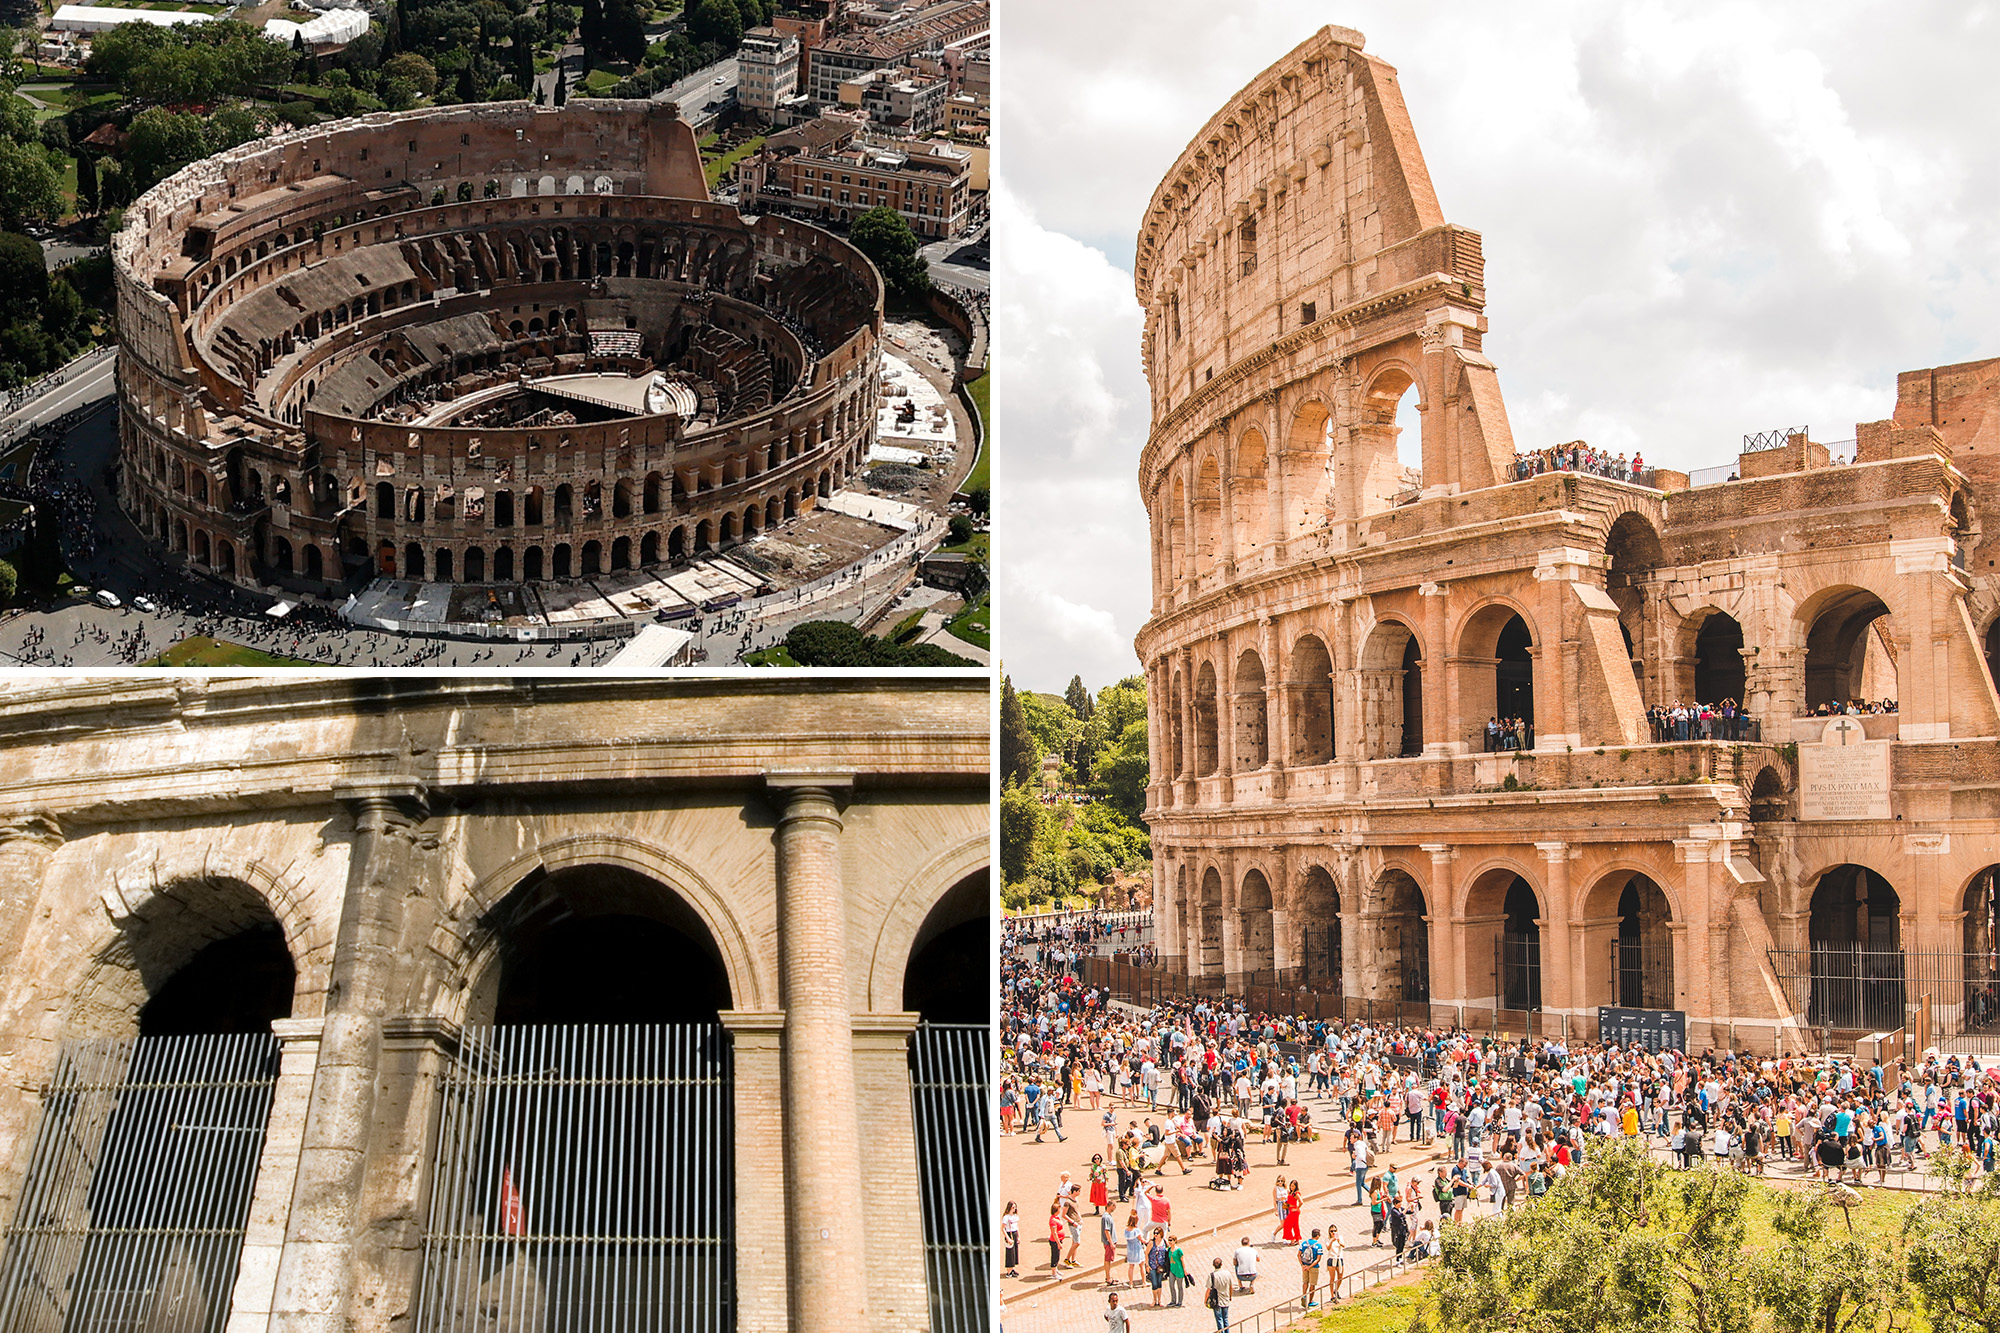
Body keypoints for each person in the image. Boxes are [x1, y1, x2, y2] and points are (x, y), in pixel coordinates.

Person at [1298, 1226, 1325, 1309]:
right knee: (1312, 1284)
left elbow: (1298, 1255)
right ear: (1317, 1236)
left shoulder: (1304, 1243)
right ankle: (1310, 1301)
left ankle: (1304, 1296)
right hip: (1313, 1267)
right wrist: (1310, 1267)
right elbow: (1318, 1259)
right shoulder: (1318, 1245)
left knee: (1305, 1282)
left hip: (1304, 1265)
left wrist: (1302, 1265)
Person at [1207, 1257, 1233, 1331]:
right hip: (1226, 1299)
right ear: (1221, 1264)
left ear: (1213, 1265)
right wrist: (1230, 1296)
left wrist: (1205, 1300)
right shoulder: (1227, 1274)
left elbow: (1208, 1289)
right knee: (1225, 1318)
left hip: (1217, 1301)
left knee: (1219, 1320)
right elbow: (1231, 1287)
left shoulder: (1212, 1276)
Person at [1123, 1208, 1144, 1286]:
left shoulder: (1126, 1230)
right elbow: (1141, 1240)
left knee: (1131, 1267)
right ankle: (1144, 1282)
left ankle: (1131, 1283)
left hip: (1130, 1250)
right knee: (1142, 1266)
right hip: (1137, 1250)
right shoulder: (1136, 1230)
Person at [1166, 1233, 1188, 1308]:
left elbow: (1182, 1260)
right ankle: (1173, 1300)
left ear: (1175, 1241)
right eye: (1169, 1240)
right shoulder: (1169, 1250)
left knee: (1179, 1287)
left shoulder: (1178, 1250)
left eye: (1171, 1240)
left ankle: (1180, 1301)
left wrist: (1184, 1270)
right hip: (1172, 1270)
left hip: (1179, 1270)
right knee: (1171, 1285)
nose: (1169, 1242)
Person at [1002, 1201, 1019, 1278]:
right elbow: (1002, 1228)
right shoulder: (1006, 1217)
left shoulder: (1015, 1216)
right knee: (1010, 1253)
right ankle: (1008, 1271)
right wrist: (1007, 1238)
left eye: (1015, 1207)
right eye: (1013, 1207)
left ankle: (1012, 1269)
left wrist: (1018, 1236)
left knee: (1014, 1253)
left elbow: (1017, 1227)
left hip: (1014, 1234)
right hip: (1009, 1234)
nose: (1014, 1209)